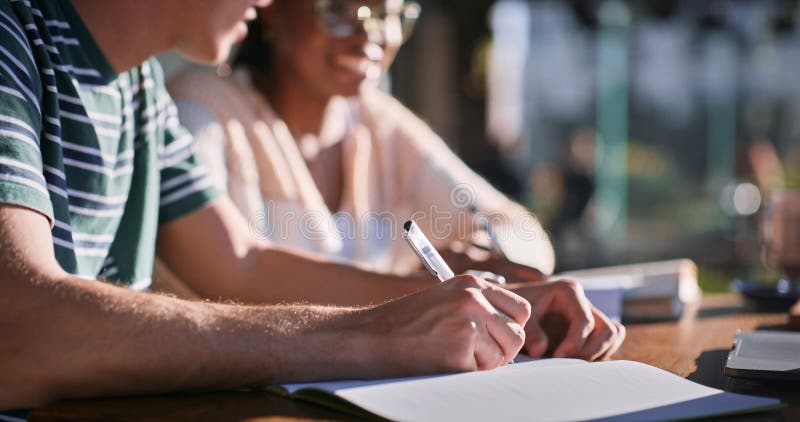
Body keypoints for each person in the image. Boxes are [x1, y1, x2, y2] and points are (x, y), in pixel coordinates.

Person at [0, 0, 617, 411]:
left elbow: (242, 264)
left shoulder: (136, 89)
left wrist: (477, 301)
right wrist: (374, 336)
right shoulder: (12, 42)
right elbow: (23, 332)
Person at [167, 0, 623, 354]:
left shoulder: (378, 122)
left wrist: (486, 261)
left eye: (390, 13)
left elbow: (522, 228)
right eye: (341, 10)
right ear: (272, 12)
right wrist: (428, 297)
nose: (371, 33)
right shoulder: (202, 107)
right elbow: (237, 273)